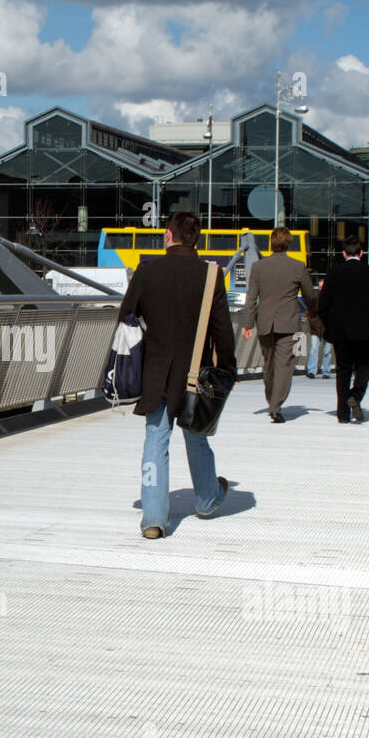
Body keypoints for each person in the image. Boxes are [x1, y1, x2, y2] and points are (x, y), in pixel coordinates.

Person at [118, 211, 237, 539]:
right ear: (196, 239)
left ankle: (153, 518)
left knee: (156, 438)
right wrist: (228, 368)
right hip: (195, 372)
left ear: (168, 236)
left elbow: (125, 315)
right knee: (196, 434)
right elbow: (223, 332)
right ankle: (207, 498)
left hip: (156, 370)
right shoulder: (210, 276)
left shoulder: (147, 270)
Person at [241, 227, 316, 423]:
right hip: (288, 322)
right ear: (289, 243)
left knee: (268, 363)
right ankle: (276, 405)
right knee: (284, 365)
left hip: (265, 321)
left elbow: (251, 298)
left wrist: (248, 323)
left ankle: (271, 399)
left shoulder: (259, 267)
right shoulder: (298, 267)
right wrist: (313, 312)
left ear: (271, 243)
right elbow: (310, 295)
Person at [317, 235, 369, 423]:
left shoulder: (333, 273)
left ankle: (342, 414)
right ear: (362, 253)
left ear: (344, 253)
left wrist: (331, 326)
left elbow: (322, 306)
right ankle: (355, 395)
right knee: (364, 366)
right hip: (367, 331)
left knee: (343, 370)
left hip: (341, 332)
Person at [304, 280, 333, 379]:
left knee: (327, 350)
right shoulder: (315, 298)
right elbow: (309, 312)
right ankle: (312, 370)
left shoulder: (332, 299)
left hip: (328, 328)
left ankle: (326, 371)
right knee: (313, 349)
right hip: (316, 328)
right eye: (321, 287)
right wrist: (312, 321)